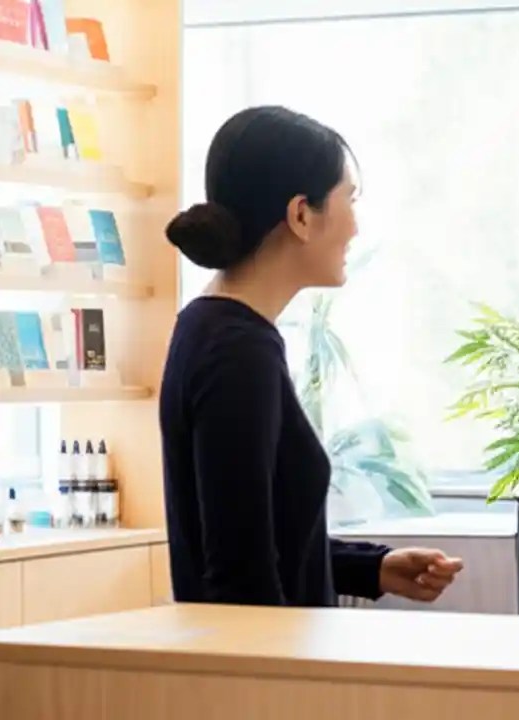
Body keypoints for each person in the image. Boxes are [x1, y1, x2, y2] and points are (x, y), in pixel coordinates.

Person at [160, 106, 463, 605]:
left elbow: (260, 538)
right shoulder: (238, 351)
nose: (355, 227)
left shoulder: (214, 330)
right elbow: (240, 578)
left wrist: (372, 567)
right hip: (264, 654)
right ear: (301, 215)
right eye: (350, 199)